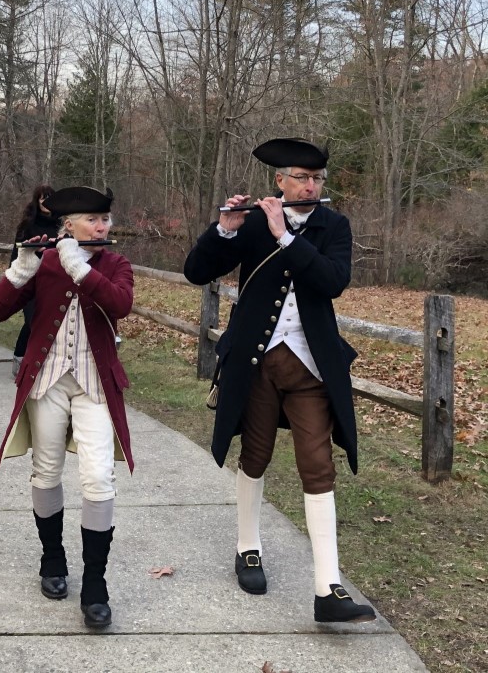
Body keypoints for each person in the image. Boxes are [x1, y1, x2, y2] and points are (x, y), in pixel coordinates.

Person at [182, 137, 376, 625]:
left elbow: (332, 281)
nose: (310, 187)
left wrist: (286, 237)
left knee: (318, 464)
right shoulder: (248, 224)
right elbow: (195, 271)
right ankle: (248, 547)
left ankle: (328, 587)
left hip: (311, 366)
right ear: (280, 181)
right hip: (258, 363)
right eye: (302, 179)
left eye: (317, 180)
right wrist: (224, 232)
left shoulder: (334, 226)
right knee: (256, 454)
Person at [0, 186, 134, 631]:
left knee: (98, 476)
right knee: (46, 470)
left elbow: (120, 304)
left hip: (95, 384)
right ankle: (52, 559)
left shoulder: (115, 263)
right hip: (47, 381)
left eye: (105, 218)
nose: (103, 226)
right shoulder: (44, 261)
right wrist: (20, 270)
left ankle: (95, 585)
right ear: (68, 224)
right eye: (93, 219)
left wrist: (79, 268)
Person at [9, 184, 59, 378]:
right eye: (42, 198)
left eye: (49, 198)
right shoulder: (28, 224)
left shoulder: (61, 225)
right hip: (31, 280)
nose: (45, 202)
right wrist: (14, 278)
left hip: (54, 281)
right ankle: (20, 357)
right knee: (32, 321)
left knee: (46, 322)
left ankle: (42, 360)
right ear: (37, 201)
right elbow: (17, 253)